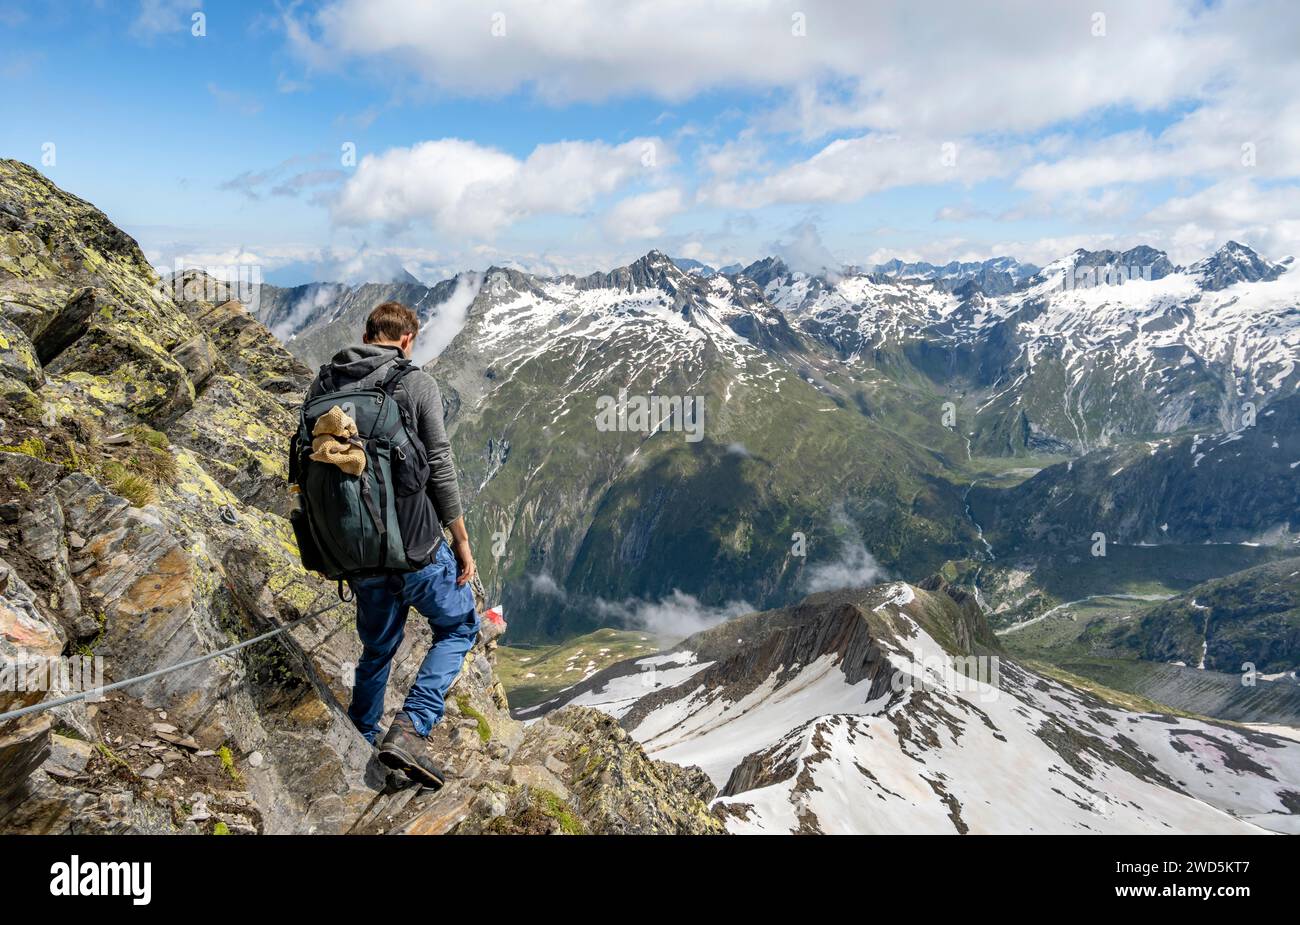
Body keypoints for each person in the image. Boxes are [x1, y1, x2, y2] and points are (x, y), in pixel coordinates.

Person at [305, 301, 477, 787]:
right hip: (416, 546)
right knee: (460, 627)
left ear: (366, 333)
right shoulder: (416, 383)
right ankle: (410, 726)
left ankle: (360, 734)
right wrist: (460, 541)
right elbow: (439, 464)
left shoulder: (324, 385)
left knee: (377, 648)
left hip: (355, 554)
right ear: (407, 340)